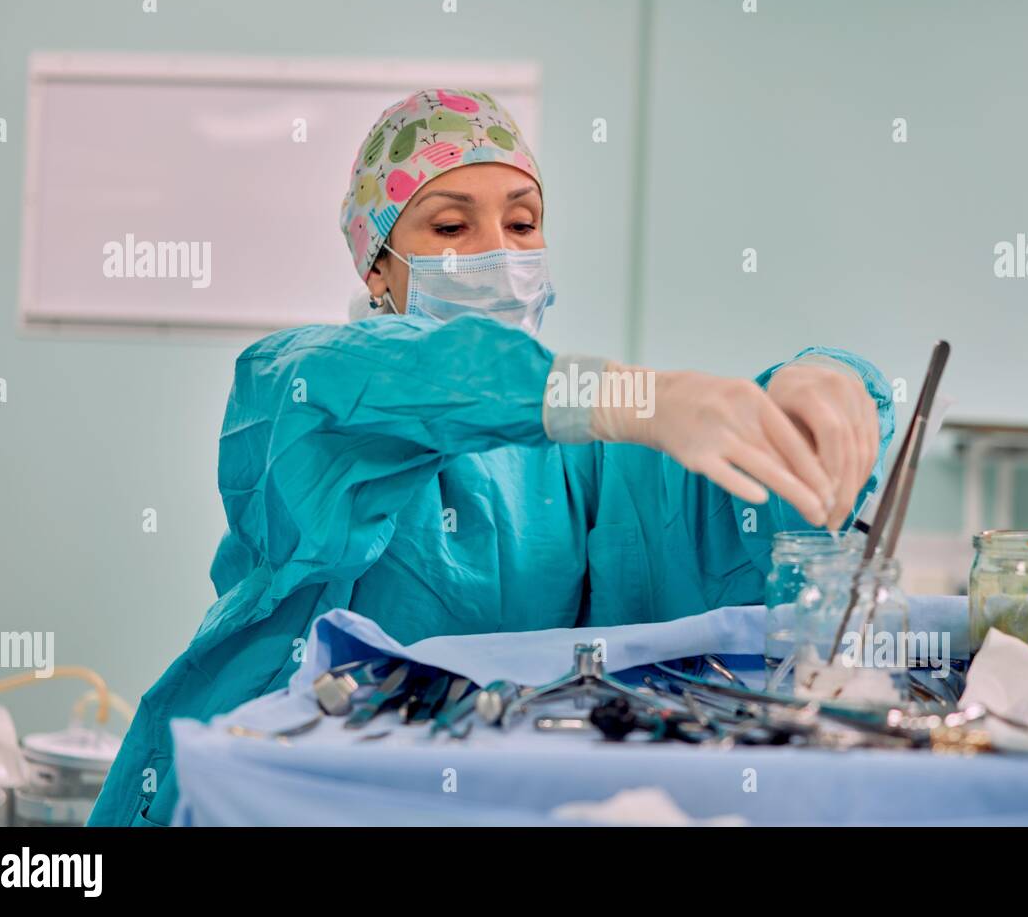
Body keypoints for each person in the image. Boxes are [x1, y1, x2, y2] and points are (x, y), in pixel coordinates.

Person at [89, 88, 896, 826]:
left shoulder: (576, 454)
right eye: (450, 226)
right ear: (377, 261)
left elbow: (701, 511)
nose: (497, 252)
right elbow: (403, 378)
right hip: (275, 798)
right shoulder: (309, 396)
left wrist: (815, 389)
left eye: (521, 222)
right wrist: (629, 397)